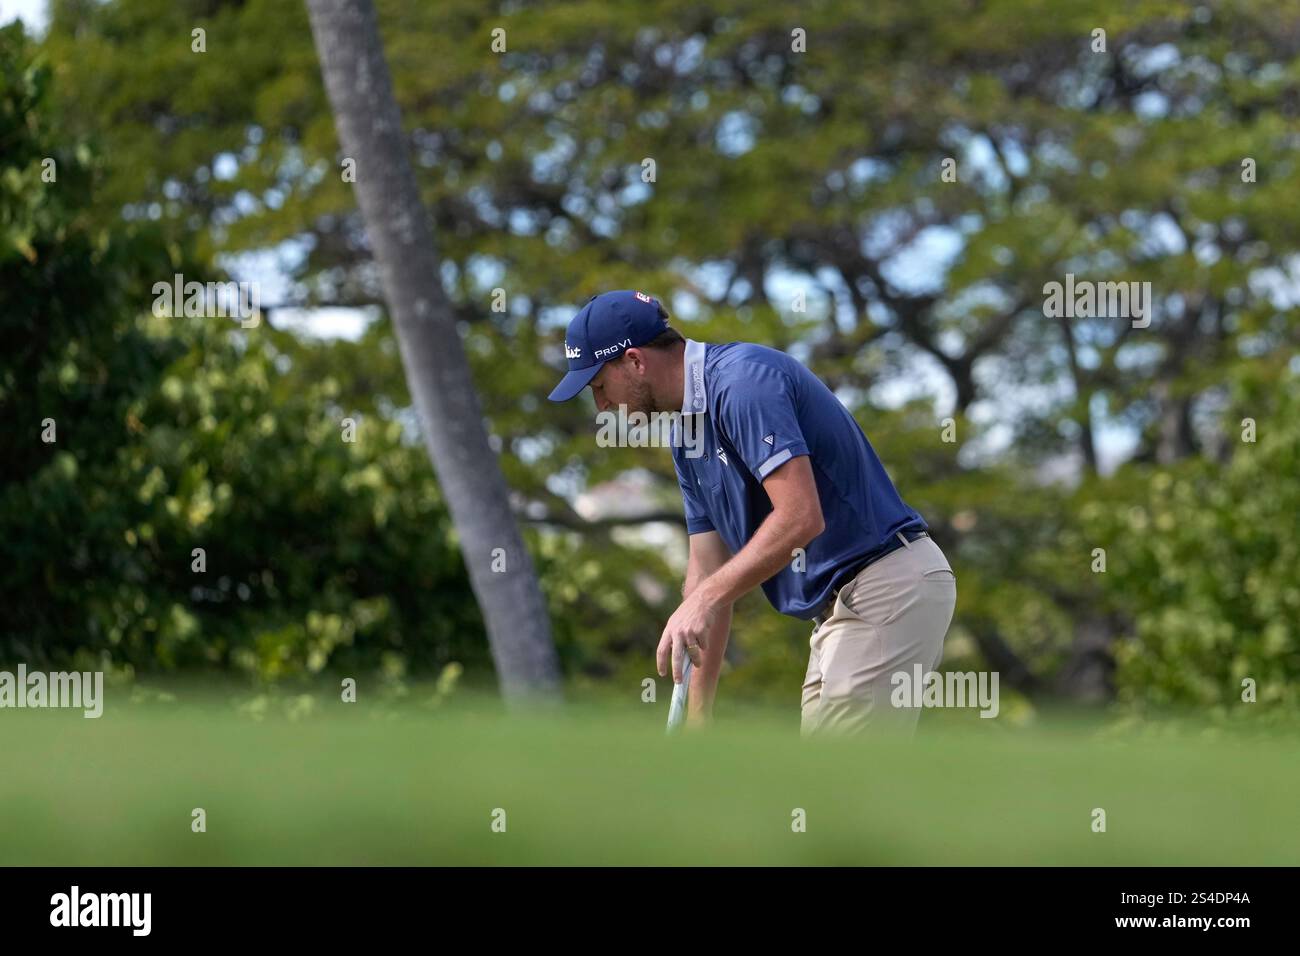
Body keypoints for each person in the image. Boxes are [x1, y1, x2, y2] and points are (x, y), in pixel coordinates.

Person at [548, 290, 957, 735]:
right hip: (840, 612)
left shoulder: (743, 383)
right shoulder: (686, 438)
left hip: (885, 584)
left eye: (600, 386)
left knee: (836, 787)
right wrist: (698, 722)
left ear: (635, 361)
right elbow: (706, 575)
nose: (602, 406)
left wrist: (706, 598)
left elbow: (801, 516)